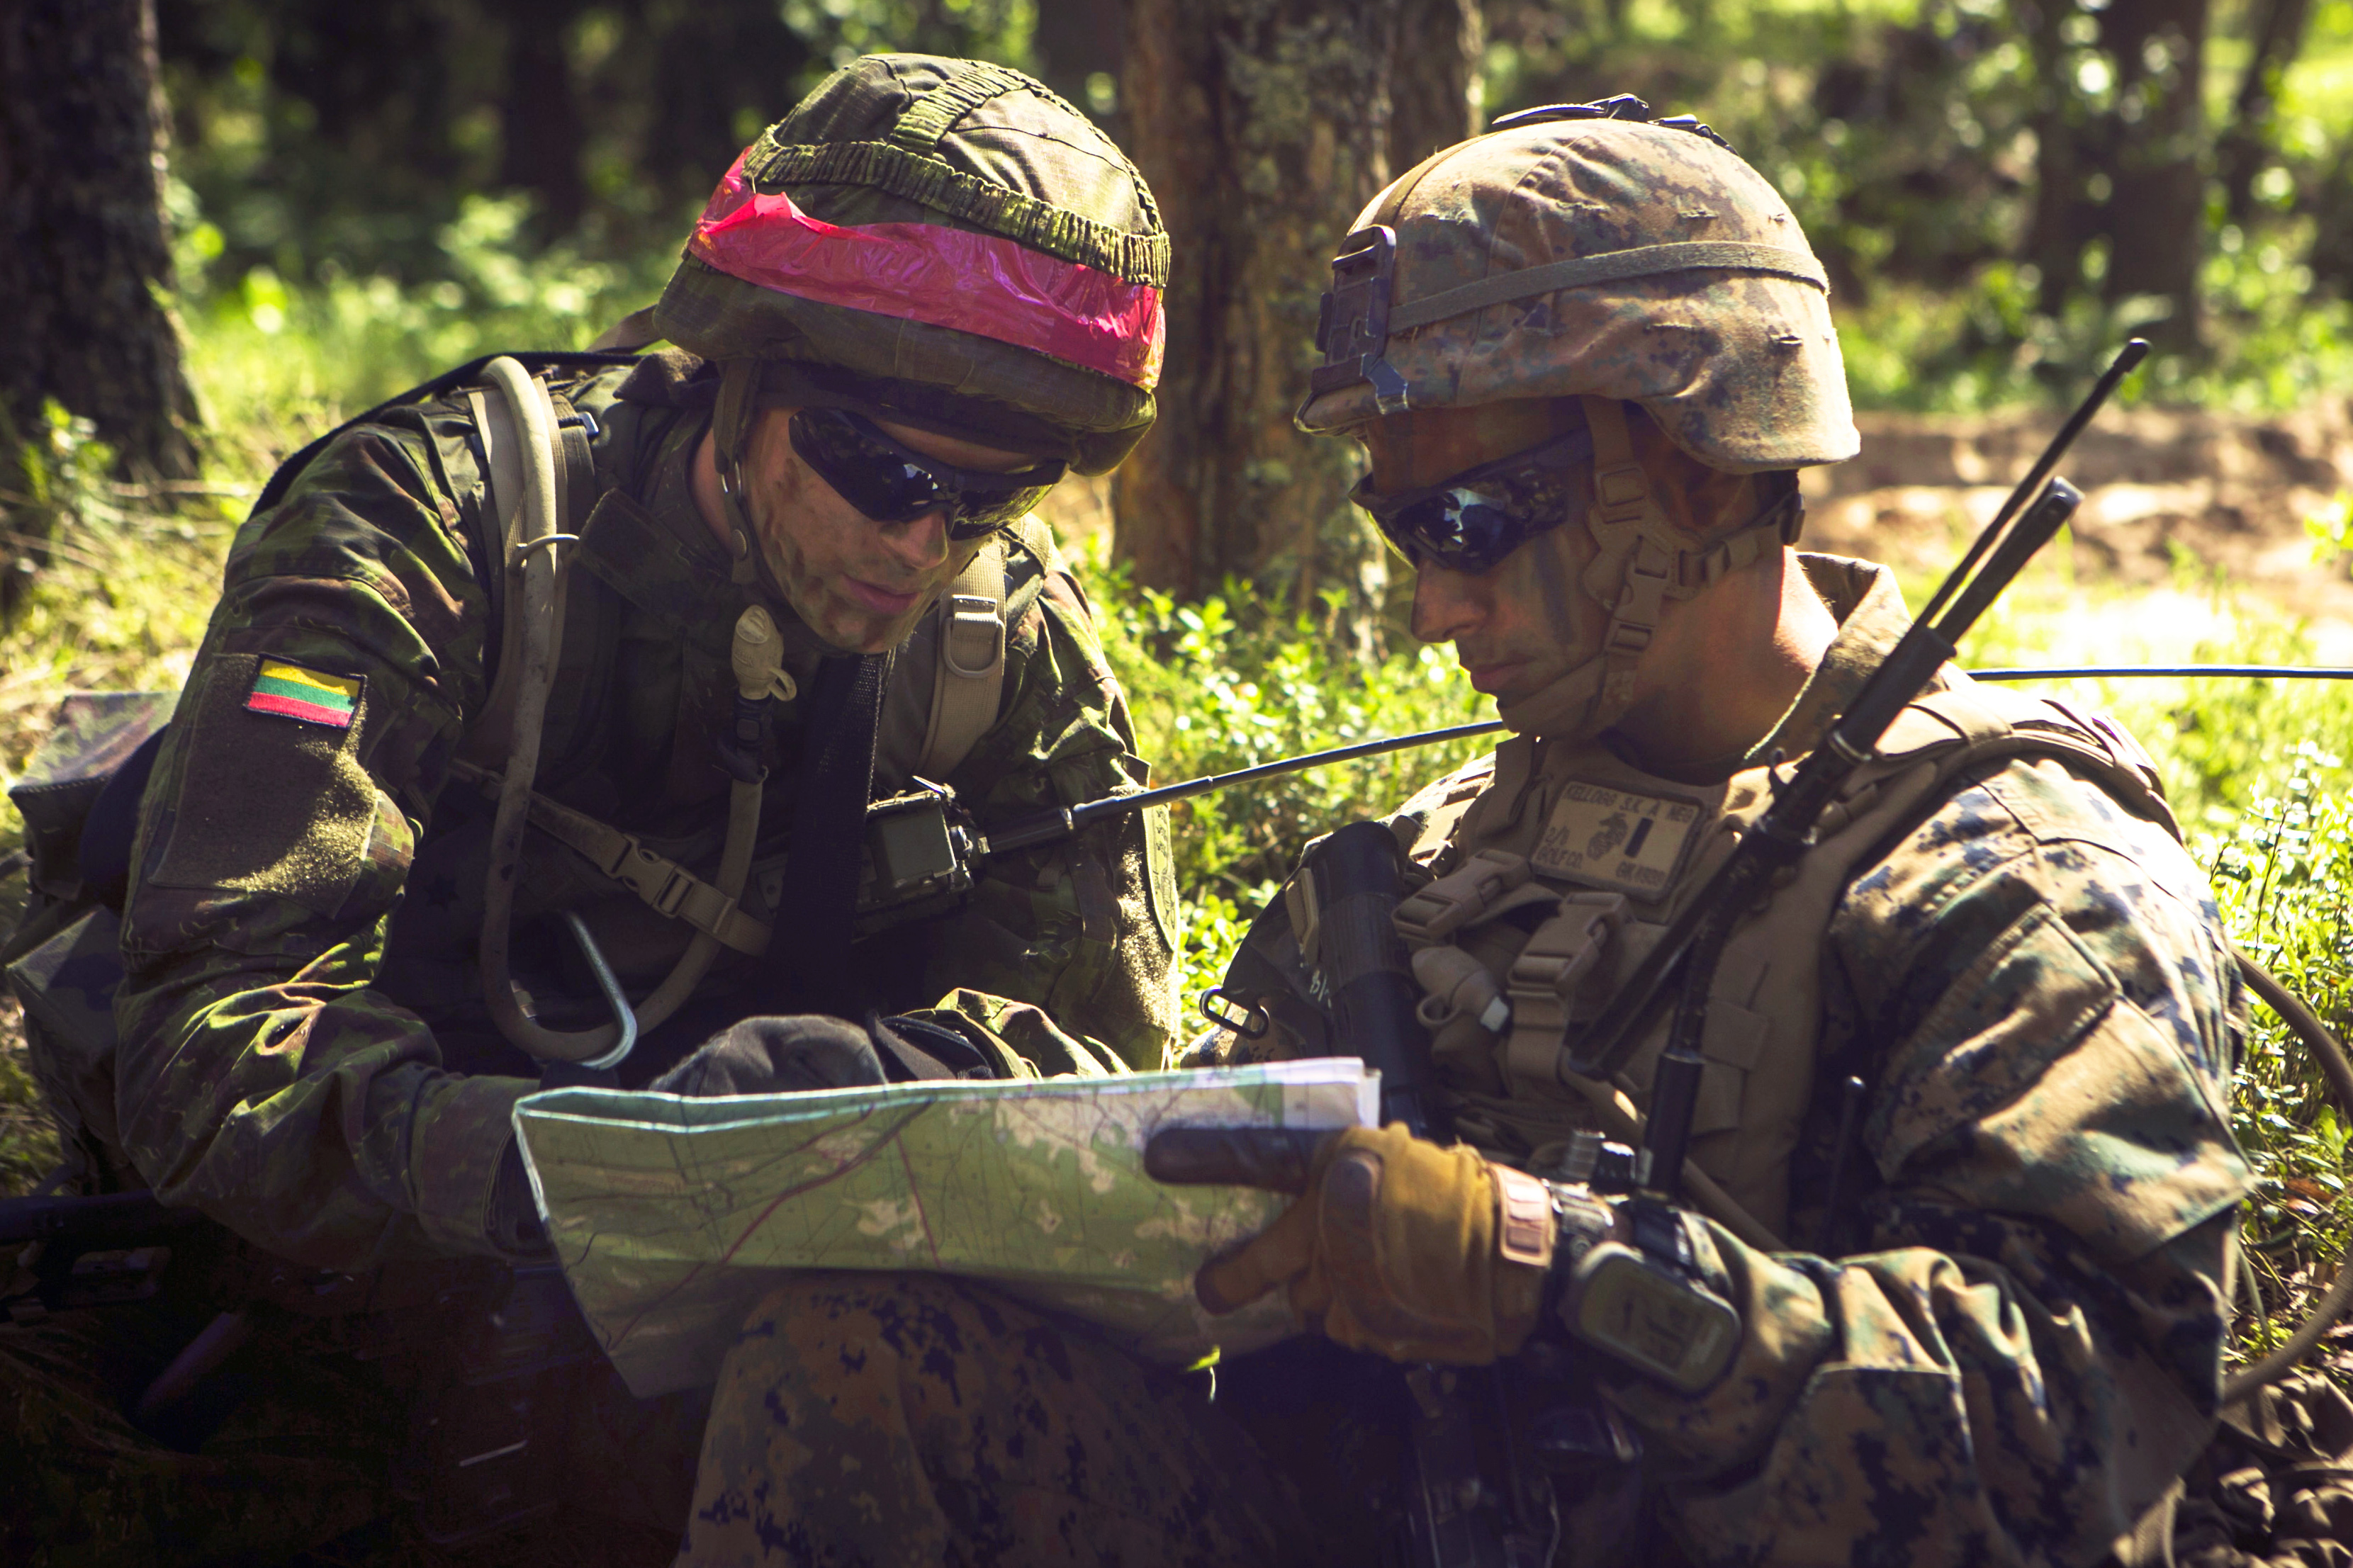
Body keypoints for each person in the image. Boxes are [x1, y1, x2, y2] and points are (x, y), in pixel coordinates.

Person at [659, 100, 2258, 1568]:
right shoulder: (1424, 868)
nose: (1434, 604)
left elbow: (2087, 1432)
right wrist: (949, 1105)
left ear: (1699, 465)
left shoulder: (2007, 867)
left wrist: (1564, 1273)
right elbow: (1216, 1177)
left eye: (1474, 522)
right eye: (1401, 530)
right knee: (849, 1349)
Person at [0, 53, 1180, 1562]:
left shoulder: (998, 636)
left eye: (986, 501)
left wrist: (886, 1082)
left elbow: (1112, 1076)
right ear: (741, 372)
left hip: (745, 1322)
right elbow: (201, 1036)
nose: (919, 543)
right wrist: (568, 1169)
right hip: (376, 1239)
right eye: (874, 468)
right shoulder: (427, 530)